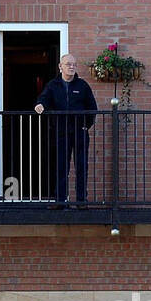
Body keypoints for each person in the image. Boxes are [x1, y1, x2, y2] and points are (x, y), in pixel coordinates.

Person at [35, 54, 97, 204]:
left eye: (74, 64)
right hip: (60, 132)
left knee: (81, 167)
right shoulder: (52, 85)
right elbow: (44, 99)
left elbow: (92, 108)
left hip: (79, 132)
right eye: (68, 64)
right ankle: (60, 200)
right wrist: (40, 105)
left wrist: (84, 126)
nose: (71, 67)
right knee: (60, 166)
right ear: (60, 66)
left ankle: (81, 201)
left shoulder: (82, 86)